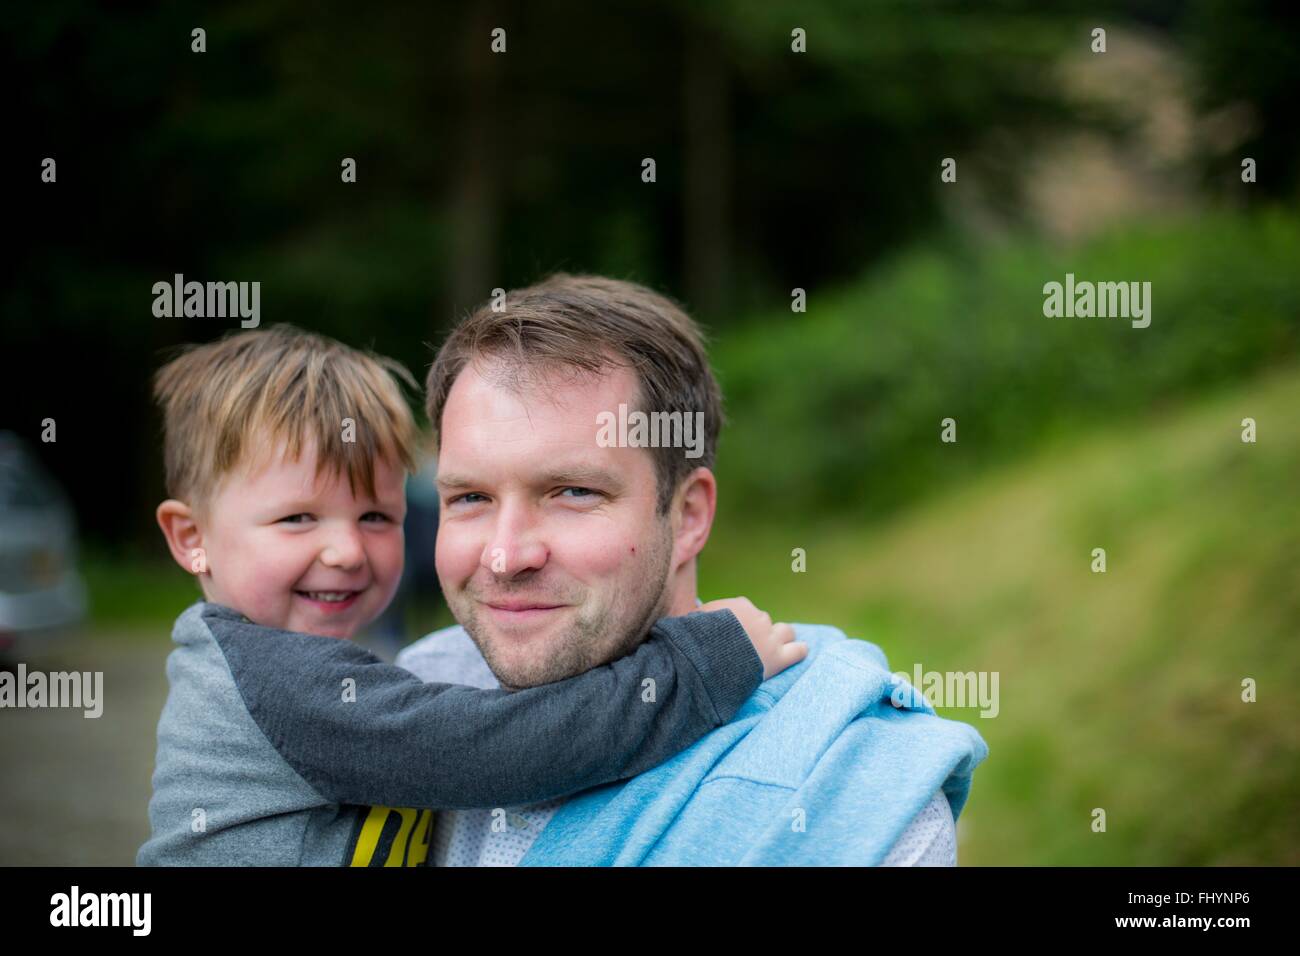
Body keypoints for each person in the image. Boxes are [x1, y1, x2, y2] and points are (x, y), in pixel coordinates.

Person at [137, 323, 804, 866]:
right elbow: (502, 748)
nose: (345, 551)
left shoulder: (301, 669)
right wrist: (697, 667)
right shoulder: (268, 679)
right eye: (296, 519)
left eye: (375, 517)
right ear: (189, 537)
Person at [398, 272, 990, 865]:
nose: (506, 556)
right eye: (470, 498)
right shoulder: (406, 702)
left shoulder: (855, 792)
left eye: (572, 492)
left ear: (687, 515)